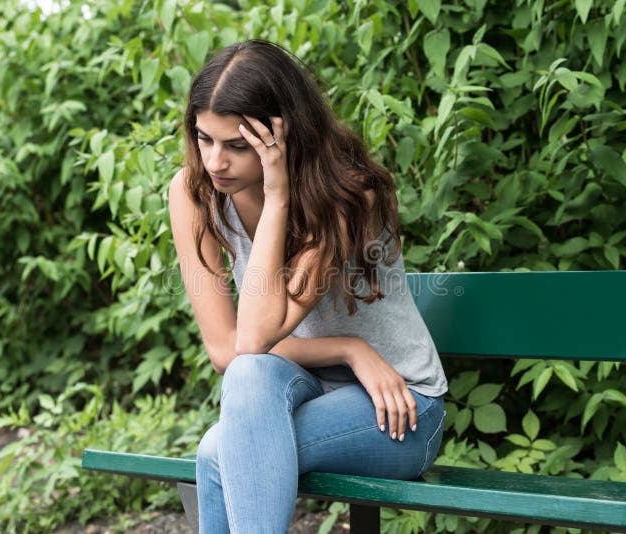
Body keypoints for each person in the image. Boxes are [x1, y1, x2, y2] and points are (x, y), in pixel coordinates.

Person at [168, 39, 448, 533]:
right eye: (204, 139)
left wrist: (277, 197)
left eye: (237, 146)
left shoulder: (345, 195)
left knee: (216, 451)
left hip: (401, 406)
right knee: (247, 376)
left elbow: (255, 338)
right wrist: (348, 349)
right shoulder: (194, 194)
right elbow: (230, 351)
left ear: (285, 136)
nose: (214, 162)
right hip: (305, 390)